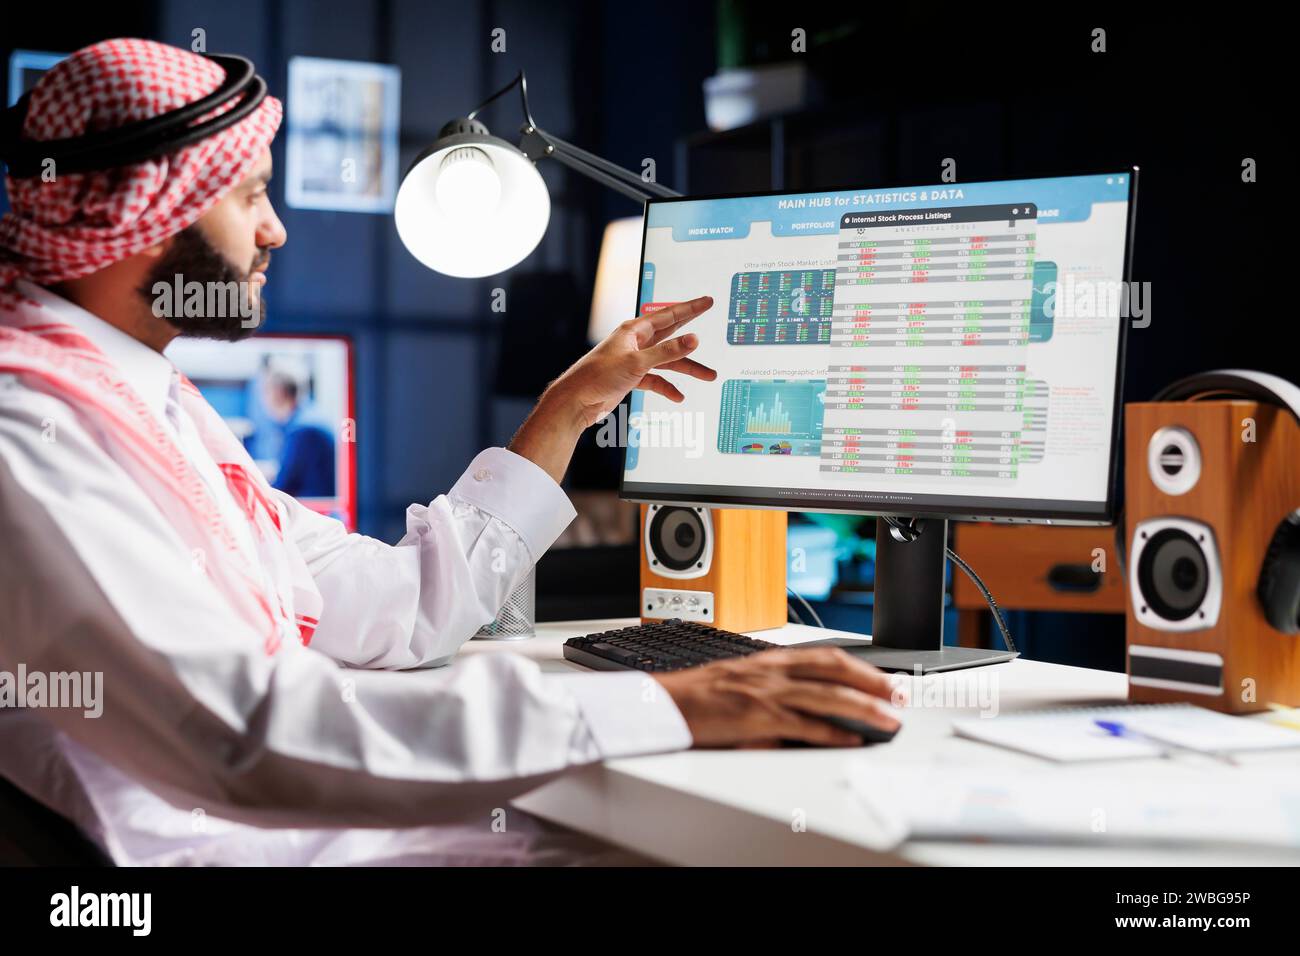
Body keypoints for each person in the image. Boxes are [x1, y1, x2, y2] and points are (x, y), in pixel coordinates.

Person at [0, 39, 901, 866]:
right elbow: (246, 734)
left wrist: (565, 409)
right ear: (144, 214)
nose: (274, 230)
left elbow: (398, 606)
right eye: (249, 196)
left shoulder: (138, 403)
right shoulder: (31, 434)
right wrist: (673, 704)